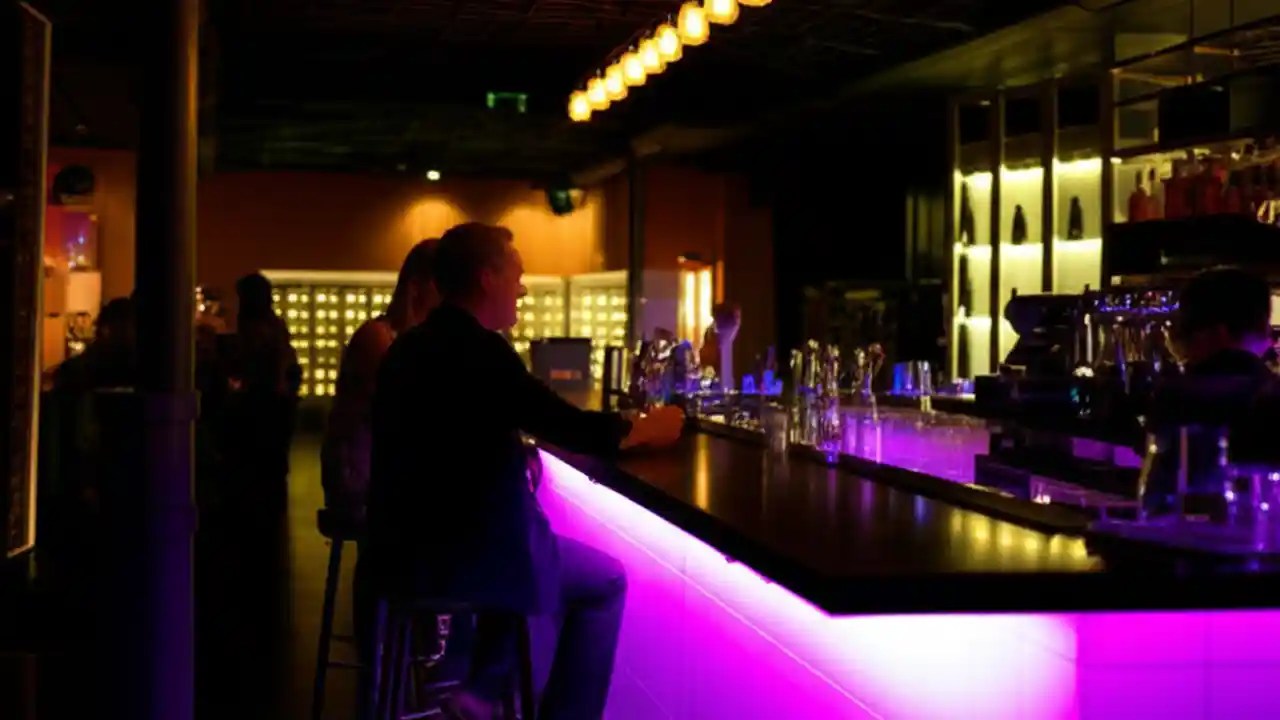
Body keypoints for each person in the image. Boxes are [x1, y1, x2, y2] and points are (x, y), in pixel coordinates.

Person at [367, 222, 682, 720]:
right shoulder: (483, 352)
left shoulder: (407, 348)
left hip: (400, 552)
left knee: (521, 549)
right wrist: (645, 428)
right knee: (604, 582)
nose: (523, 287)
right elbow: (565, 424)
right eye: (516, 275)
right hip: (463, 558)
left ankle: (482, 682)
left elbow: (455, 437)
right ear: (486, 277)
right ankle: (500, 693)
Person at [1143, 266, 1277, 515]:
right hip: (1261, 539)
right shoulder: (1268, 390)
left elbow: (1155, 492)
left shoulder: (1173, 392)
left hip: (1177, 539)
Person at [323, 238, 440, 514]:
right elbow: (405, 415)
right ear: (416, 287)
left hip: (383, 470)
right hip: (361, 477)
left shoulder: (414, 339)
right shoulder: (379, 338)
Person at [226, 273, 301, 519]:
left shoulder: (256, 329)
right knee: (273, 471)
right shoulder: (275, 326)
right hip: (276, 409)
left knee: (261, 472)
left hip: (262, 408)